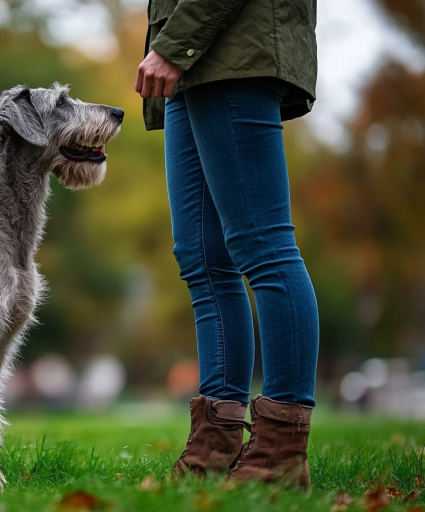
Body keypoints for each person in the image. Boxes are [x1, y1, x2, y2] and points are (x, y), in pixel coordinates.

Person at [135, 0, 319, 488]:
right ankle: (215, 445)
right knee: (203, 261)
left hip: (231, 47)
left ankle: (280, 453)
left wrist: (174, 45)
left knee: (265, 249)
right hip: (192, 62)